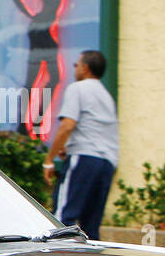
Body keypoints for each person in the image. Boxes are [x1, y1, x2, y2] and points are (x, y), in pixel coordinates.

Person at [12, 0, 83, 138]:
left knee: (40, 79)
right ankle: (31, 123)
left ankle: (31, 123)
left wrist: (31, 14)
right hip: (41, 29)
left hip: (42, 29)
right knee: (41, 79)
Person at [45, 50, 117, 239]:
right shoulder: (106, 96)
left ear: (85, 68)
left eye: (76, 64)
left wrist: (49, 159)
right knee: (90, 227)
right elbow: (95, 130)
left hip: (83, 158)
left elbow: (67, 125)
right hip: (106, 163)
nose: (74, 68)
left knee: (62, 220)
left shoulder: (77, 88)